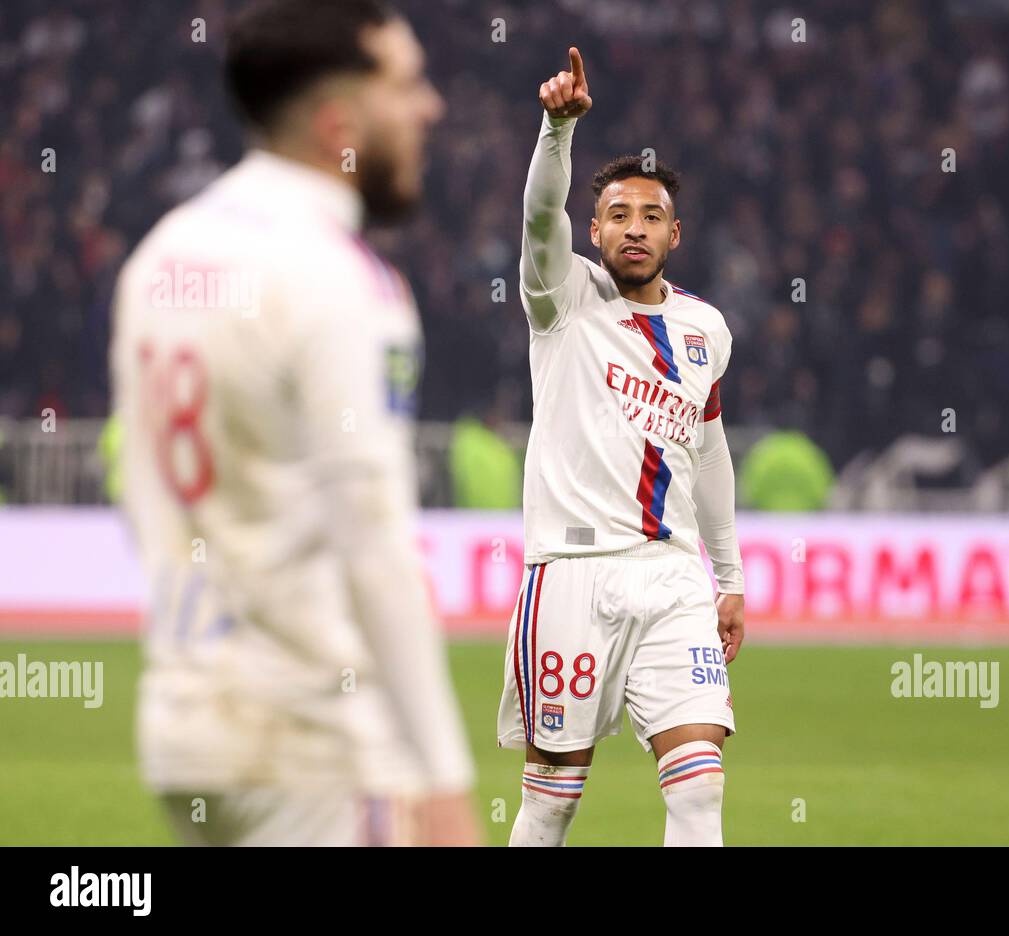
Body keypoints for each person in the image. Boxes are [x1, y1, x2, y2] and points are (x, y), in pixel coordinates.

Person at [110, 0, 478, 846]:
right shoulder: (340, 281)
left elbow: (145, 488)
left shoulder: (166, 252)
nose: (432, 108)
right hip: (317, 740)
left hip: (187, 722)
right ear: (336, 121)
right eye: (407, 84)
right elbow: (372, 541)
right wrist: (443, 779)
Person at [497, 48, 745, 847]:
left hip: (673, 579)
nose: (633, 229)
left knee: (701, 786)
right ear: (594, 228)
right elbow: (540, 216)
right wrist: (556, 130)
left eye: (650, 217)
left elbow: (707, 455)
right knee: (552, 800)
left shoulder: (706, 331)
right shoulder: (561, 298)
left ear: (676, 232)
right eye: (617, 216)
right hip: (572, 572)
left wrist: (729, 576)